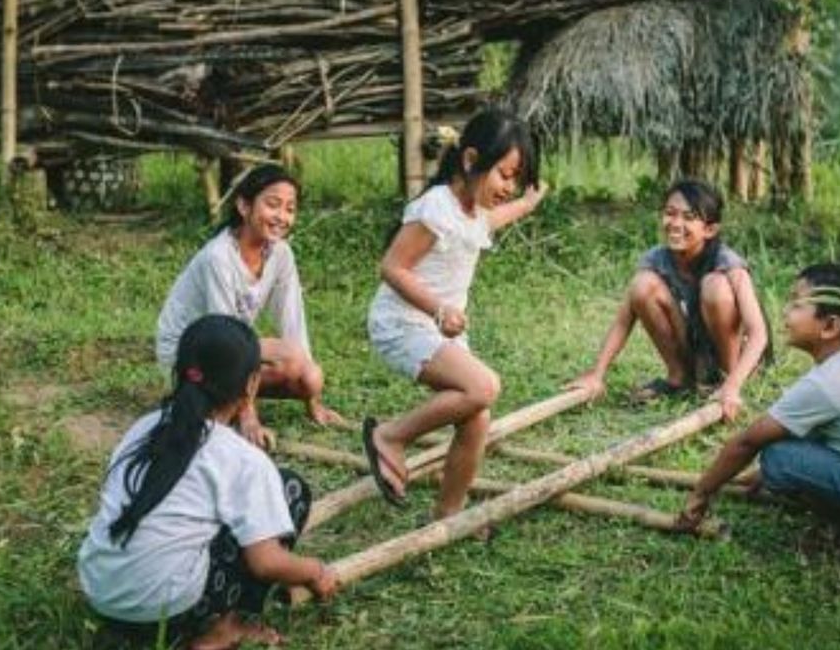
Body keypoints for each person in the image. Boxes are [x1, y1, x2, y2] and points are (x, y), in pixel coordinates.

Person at [79, 315, 338, 650]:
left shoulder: (141, 429)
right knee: (291, 490)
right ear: (251, 387)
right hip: (166, 612)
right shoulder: (242, 459)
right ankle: (220, 629)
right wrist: (315, 571)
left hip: (101, 596)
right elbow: (266, 563)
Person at [363, 108, 548, 517]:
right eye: (504, 174)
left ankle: (448, 513)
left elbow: (492, 221)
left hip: (440, 327)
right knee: (483, 387)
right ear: (469, 160)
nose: (510, 187)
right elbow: (392, 267)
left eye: (516, 178)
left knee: (477, 418)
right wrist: (440, 308)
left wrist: (528, 204)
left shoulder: (473, 210)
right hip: (403, 323)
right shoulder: (435, 209)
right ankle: (390, 436)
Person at [677, 263, 840, 537]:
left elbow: (747, 442)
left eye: (796, 304)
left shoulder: (826, 385)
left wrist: (700, 495)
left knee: (779, 458)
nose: (785, 312)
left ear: (830, 326)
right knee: (788, 441)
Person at [156, 163, 343, 448]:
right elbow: (224, 338)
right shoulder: (218, 257)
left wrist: (312, 398)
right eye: (272, 205)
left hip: (226, 350)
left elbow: (292, 320)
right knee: (289, 356)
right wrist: (249, 417)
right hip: (188, 354)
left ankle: (221, 396)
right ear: (244, 206)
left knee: (311, 376)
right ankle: (223, 400)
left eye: (290, 209)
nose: (282, 216)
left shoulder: (280, 254)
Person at [568, 179, 769, 421]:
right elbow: (623, 322)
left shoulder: (729, 264)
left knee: (714, 287)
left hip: (736, 361)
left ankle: (724, 380)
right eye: (670, 214)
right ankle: (680, 378)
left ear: (709, 230)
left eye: (688, 217)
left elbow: (759, 333)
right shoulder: (657, 259)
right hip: (694, 345)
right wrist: (596, 374)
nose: (675, 224)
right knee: (642, 285)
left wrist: (733, 386)